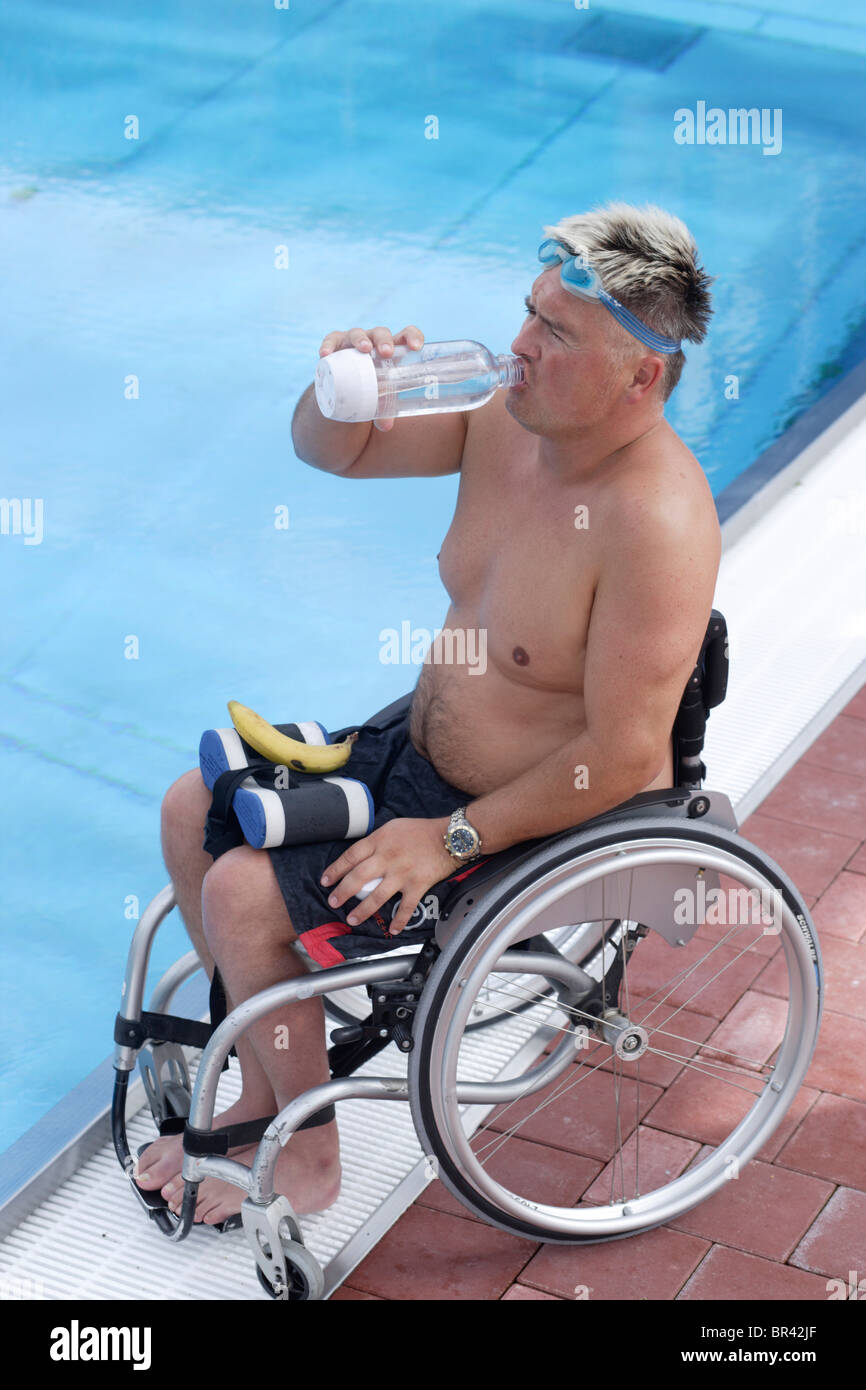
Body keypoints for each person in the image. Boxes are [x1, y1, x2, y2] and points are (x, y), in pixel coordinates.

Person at [135, 201, 721, 1226]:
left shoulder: (654, 524)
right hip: (412, 752)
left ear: (643, 375)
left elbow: (624, 757)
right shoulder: (508, 418)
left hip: (517, 820)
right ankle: (267, 1093)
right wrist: (343, 384)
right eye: (528, 314)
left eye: (556, 335)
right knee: (193, 807)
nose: (519, 347)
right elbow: (329, 452)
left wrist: (445, 839)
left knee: (243, 891)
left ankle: (304, 1149)